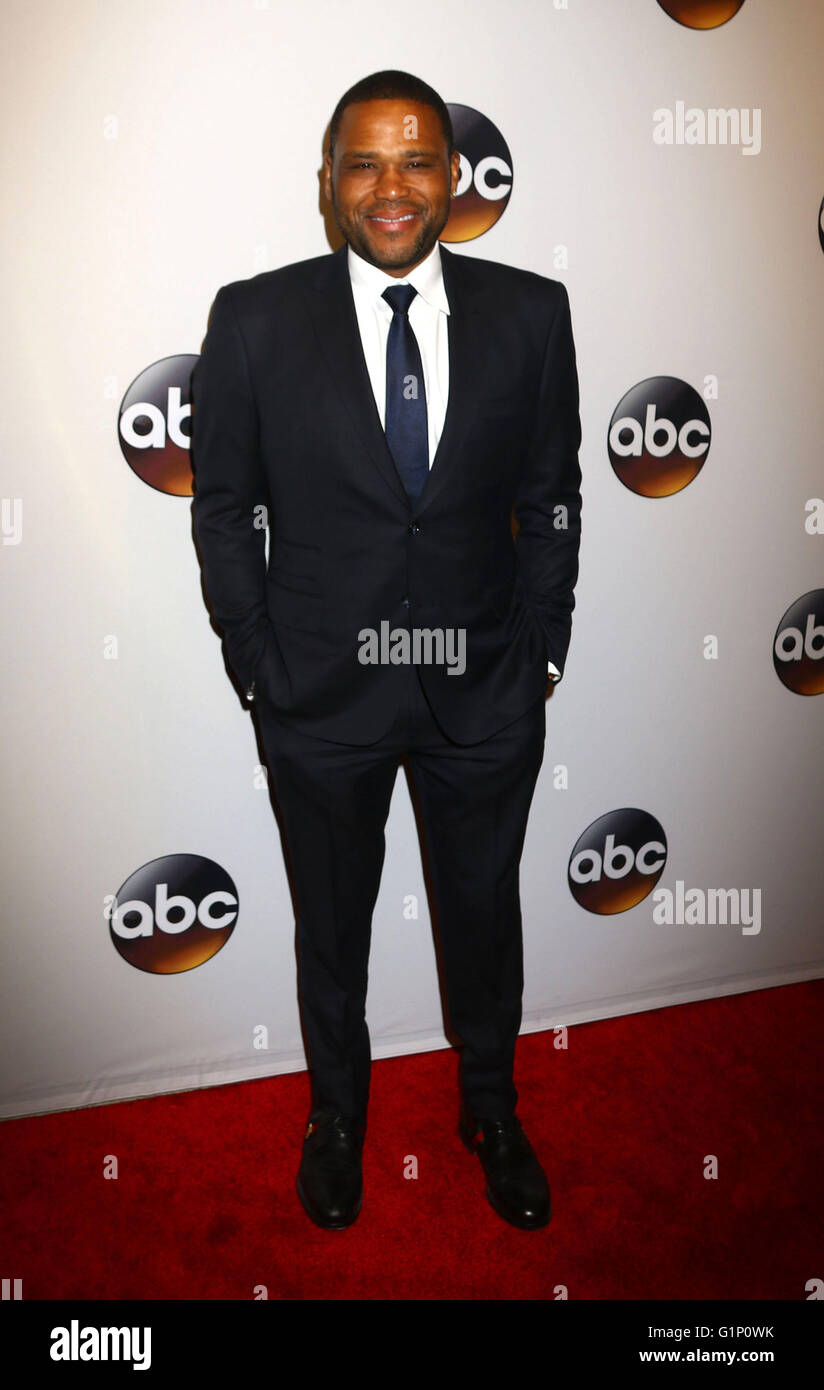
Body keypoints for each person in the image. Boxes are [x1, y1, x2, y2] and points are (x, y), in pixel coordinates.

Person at [191, 69, 582, 1232]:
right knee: (331, 926)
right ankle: (336, 1117)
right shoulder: (254, 320)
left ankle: (490, 1107)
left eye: (416, 159)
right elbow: (222, 509)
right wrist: (258, 661)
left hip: (485, 692)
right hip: (319, 697)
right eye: (364, 162)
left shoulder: (531, 312)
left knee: (483, 917)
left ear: (454, 177)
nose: (392, 186)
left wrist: (545, 647)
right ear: (328, 184)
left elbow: (551, 494)